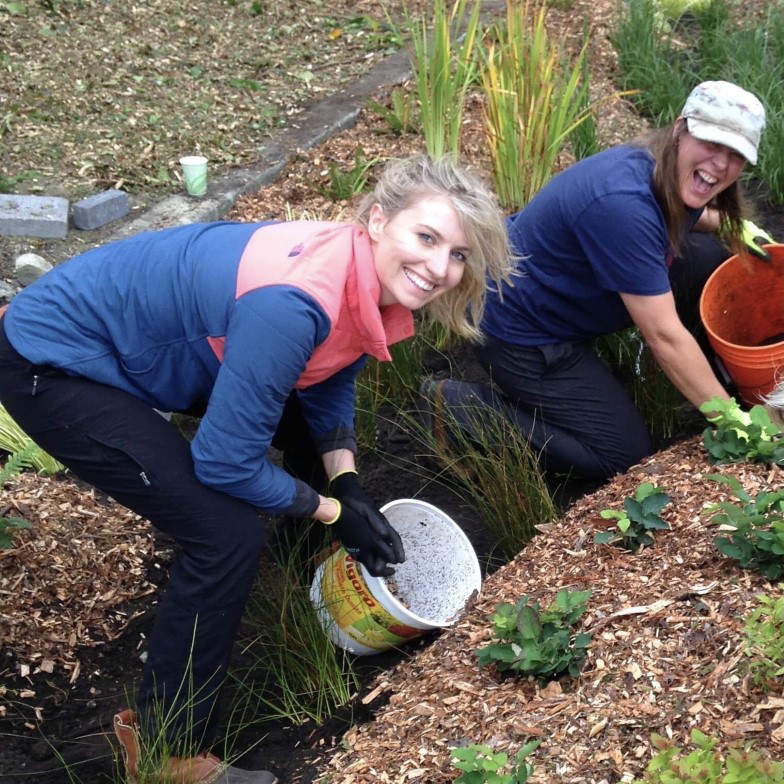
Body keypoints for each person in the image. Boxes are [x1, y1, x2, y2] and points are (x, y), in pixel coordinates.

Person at [0, 154, 512, 784]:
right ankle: (165, 753)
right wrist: (332, 511)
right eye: (427, 238)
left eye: (459, 254)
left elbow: (325, 374)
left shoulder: (355, 269)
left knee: (304, 450)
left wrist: (346, 482)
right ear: (377, 220)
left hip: (154, 346)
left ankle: (301, 585)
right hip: (53, 362)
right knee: (223, 530)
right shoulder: (293, 303)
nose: (439, 268)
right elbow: (222, 462)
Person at [422, 80, 772, 482]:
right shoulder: (623, 206)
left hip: (558, 288)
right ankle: (457, 406)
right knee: (621, 455)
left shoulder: (664, 169)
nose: (720, 165)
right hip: (522, 330)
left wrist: (735, 227)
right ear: (680, 129)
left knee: (713, 256)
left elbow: (687, 215)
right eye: (712, 144)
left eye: (735, 155)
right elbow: (664, 337)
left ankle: (714, 378)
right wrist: (732, 421)